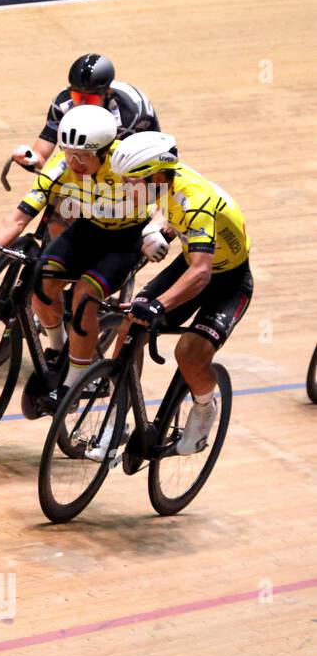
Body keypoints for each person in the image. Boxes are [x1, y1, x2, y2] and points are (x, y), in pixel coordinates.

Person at [0, 104, 152, 414]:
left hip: (126, 238)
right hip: (88, 228)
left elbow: (167, 198)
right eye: (69, 153)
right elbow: (18, 219)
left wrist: (160, 232)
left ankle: (71, 384)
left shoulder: (128, 165)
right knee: (42, 281)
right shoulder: (60, 166)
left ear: (105, 151)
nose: (74, 162)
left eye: (82, 156)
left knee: (85, 296)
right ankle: (57, 350)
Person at [105, 131, 252, 454]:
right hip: (193, 263)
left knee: (189, 353)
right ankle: (117, 419)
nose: (126, 187)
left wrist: (158, 306)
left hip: (227, 281)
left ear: (156, 175)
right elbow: (174, 210)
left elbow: (200, 273)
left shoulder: (195, 199)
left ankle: (203, 409)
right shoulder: (167, 181)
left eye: (131, 180)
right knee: (131, 323)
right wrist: (160, 229)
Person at [10, 53, 159, 174]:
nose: (82, 104)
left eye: (90, 98)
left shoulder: (125, 115)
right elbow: (41, 157)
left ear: (107, 94)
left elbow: (111, 169)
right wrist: (29, 158)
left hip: (140, 140)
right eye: (77, 96)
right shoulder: (62, 104)